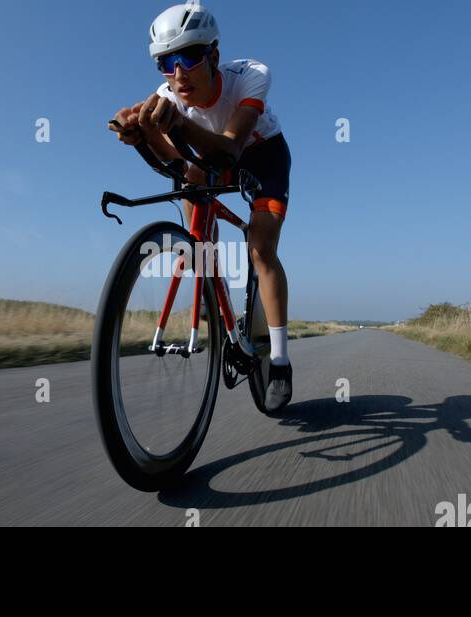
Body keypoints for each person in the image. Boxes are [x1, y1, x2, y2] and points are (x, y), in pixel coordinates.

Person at [109, 2, 294, 413]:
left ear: (213, 55)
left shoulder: (251, 76)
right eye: (165, 62)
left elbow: (229, 151)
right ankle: (221, 311)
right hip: (205, 158)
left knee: (261, 250)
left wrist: (176, 124)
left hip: (260, 156)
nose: (178, 73)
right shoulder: (165, 95)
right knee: (197, 240)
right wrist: (141, 138)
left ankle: (279, 361)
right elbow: (174, 164)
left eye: (189, 57)